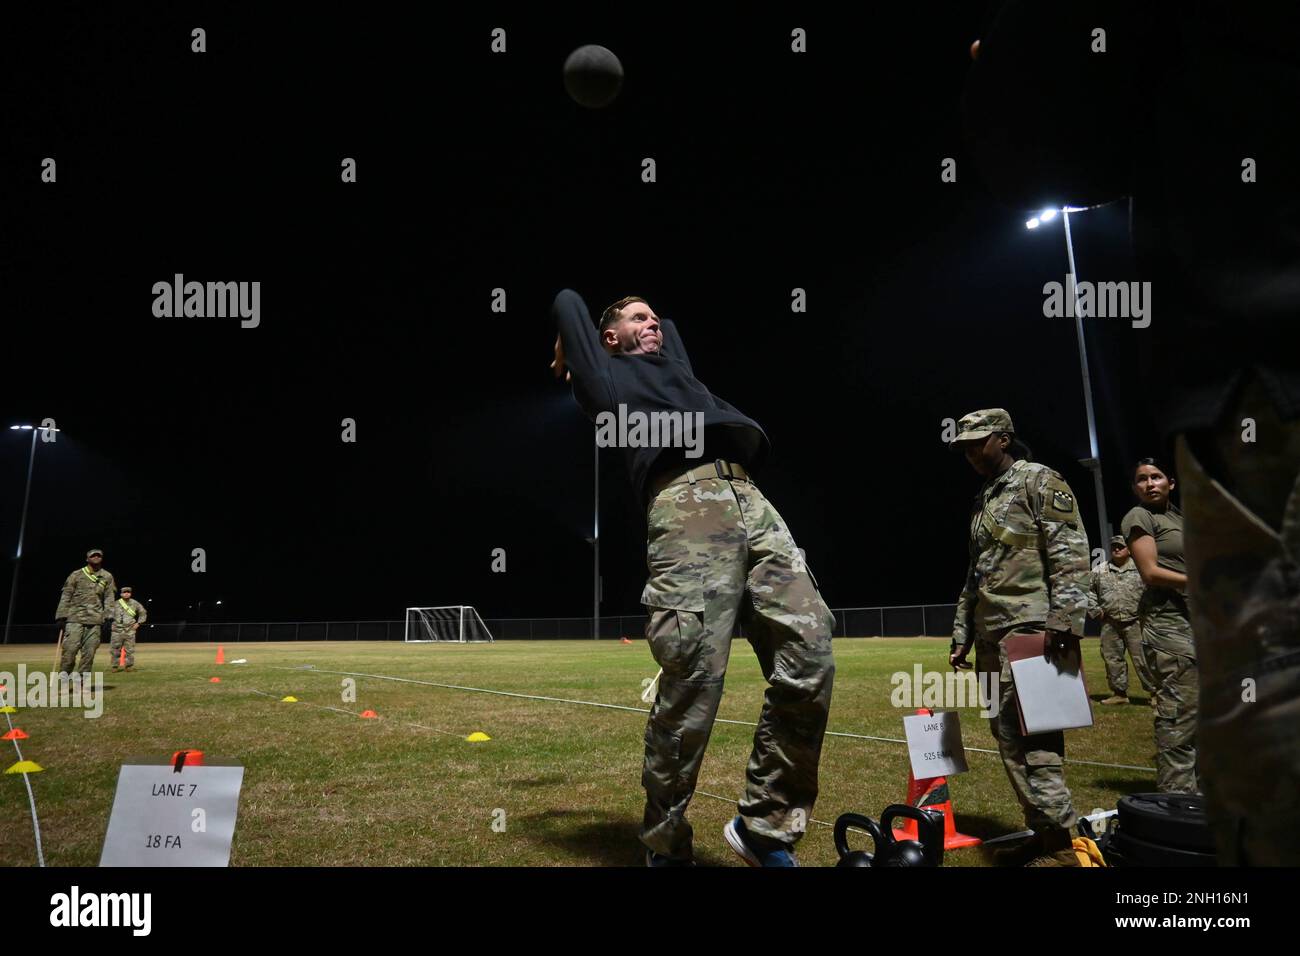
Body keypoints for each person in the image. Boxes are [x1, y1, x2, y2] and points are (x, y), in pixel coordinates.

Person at [549, 288, 835, 868]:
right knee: (693, 680)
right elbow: (567, 300)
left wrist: (651, 323)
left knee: (811, 656)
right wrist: (571, 350)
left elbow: (671, 328)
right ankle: (666, 843)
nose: (652, 322)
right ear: (607, 339)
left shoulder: (676, 370)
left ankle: (765, 827)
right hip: (686, 509)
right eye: (636, 317)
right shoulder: (604, 383)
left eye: (653, 316)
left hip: (752, 501)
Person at [948, 409, 1091, 867]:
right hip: (992, 631)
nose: (971, 452)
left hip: (1034, 626)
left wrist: (1065, 622)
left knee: (1038, 734)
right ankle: (1045, 832)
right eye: (965, 446)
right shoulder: (984, 498)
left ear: (1004, 440)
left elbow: (1069, 550)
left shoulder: (1039, 480)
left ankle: (1066, 845)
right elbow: (977, 572)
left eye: (978, 442)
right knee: (1007, 735)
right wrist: (962, 632)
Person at [1122, 458, 1198, 794]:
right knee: (1179, 713)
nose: (1150, 484)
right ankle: (1177, 802)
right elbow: (1150, 572)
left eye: (1156, 477)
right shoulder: (1140, 517)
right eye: (1141, 479)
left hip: (1198, 623)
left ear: (1171, 482)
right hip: (1167, 625)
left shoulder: (1179, 517)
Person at [1088, 535, 1156, 705]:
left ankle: (1155, 694)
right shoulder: (1099, 570)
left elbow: (1153, 590)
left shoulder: (1141, 567)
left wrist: (1148, 612)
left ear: (1129, 549)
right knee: (1112, 659)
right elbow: (1088, 592)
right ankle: (1119, 694)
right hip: (1110, 623)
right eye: (1114, 547)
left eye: (1120, 546)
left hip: (1136, 622)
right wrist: (1096, 611)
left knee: (1143, 660)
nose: (1116, 549)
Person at [55, 548, 116, 677]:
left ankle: (81, 684)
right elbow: (66, 595)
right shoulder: (76, 575)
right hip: (74, 619)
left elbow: (109, 598)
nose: (96, 557)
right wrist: (61, 616)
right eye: (93, 555)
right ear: (87, 559)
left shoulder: (107, 576)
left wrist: (109, 618)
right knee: (69, 653)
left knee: (89, 654)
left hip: (95, 621)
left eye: (99, 555)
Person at [109, 586, 147, 672]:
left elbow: (143, 613)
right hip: (117, 630)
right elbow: (108, 614)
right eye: (124, 592)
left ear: (130, 593)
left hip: (130, 630)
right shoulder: (115, 603)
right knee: (115, 649)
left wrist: (139, 623)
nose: (126, 593)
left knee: (129, 650)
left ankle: (128, 666)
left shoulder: (135, 603)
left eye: (128, 592)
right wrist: (110, 622)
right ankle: (114, 667)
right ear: (121, 594)